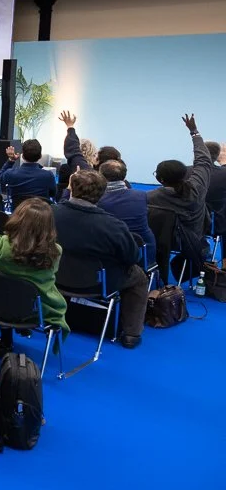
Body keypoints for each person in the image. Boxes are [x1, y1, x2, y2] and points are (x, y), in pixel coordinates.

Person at [0, 151, 68, 352]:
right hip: (35, 312)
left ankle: (6, 339)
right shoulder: (55, 252)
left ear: (17, 219)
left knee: (6, 287)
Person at [53, 169, 149, 348]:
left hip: (55, 275)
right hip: (96, 283)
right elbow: (133, 257)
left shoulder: (50, 213)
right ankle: (131, 334)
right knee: (140, 277)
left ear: (71, 187)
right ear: (103, 193)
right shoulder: (113, 225)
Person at [147, 114, 211, 274]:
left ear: (160, 179)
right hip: (193, 241)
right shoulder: (198, 188)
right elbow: (203, 160)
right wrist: (194, 132)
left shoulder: (149, 197)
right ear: (185, 174)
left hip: (164, 243)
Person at [97, 159, 156, 263]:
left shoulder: (98, 202)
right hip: (144, 253)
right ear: (124, 177)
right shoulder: (141, 195)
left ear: (101, 177)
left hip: (111, 256)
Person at [0, 139, 57, 206]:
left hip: (18, 211)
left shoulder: (11, 174)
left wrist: (11, 160)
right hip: (41, 212)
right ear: (40, 156)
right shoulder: (48, 175)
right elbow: (53, 194)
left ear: (22, 156)